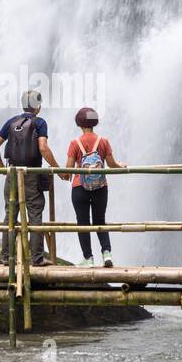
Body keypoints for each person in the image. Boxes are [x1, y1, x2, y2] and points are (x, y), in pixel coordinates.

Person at [0, 89, 61, 266]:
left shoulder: (12, 122)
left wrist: (2, 168)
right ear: (38, 107)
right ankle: (36, 259)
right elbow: (43, 148)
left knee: (10, 215)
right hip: (31, 174)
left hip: (12, 173)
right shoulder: (40, 122)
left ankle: (6, 257)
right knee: (35, 213)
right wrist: (58, 169)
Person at [60, 107, 125, 267]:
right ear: (94, 122)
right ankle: (107, 253)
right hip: (100, 187)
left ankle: (88, 258)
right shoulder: (103, 141)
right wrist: (121, 166)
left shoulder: (75, 143)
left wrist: (63, 174)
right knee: (100, 220)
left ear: (79, 123)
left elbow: (69, 169)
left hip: (79, 187)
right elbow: (111, 164)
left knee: (82, 223)